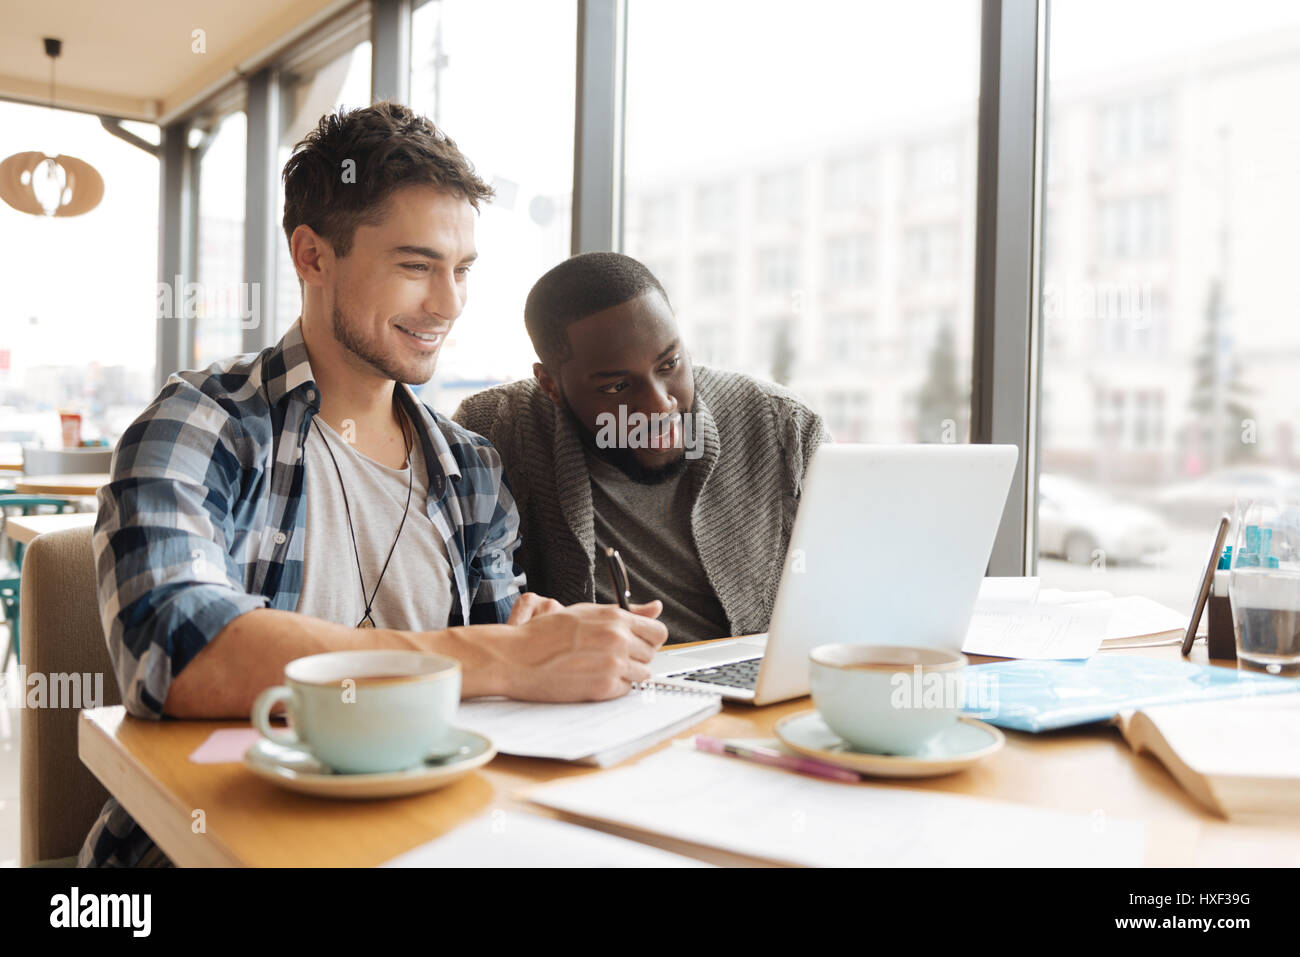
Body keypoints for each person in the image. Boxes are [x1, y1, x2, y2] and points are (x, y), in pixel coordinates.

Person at [79, 104, 665, 867]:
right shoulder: (201, 424)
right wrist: (505, 656)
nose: (448, 305)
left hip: (434, 834)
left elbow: (499, 674)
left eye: (462, 271)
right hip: (218, 837)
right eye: (417, 267)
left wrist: (541, 640)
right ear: (313, 256)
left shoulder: (472, 470)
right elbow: (178, 647)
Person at [454, 252, 829, 645]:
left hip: (761, 691)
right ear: (551, 386)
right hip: (598, 696)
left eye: (669, 365)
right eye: (616, 387)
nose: (659, 404)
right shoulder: (493, 433)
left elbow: (856, 594)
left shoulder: (786, 427)